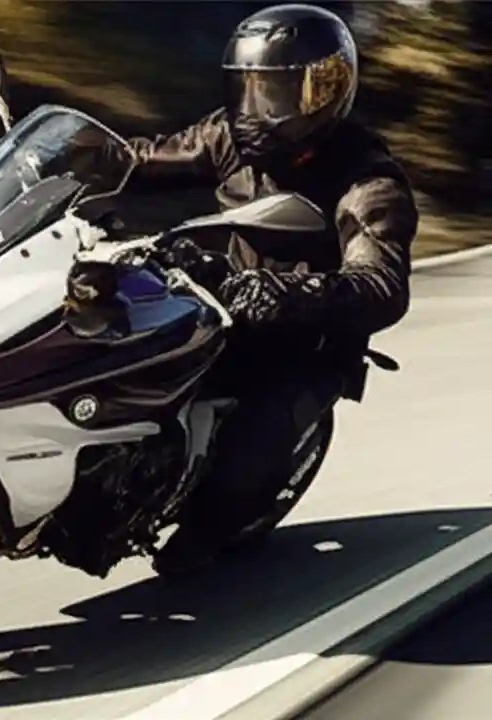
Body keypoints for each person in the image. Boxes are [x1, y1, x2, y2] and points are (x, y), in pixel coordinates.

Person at [121, 3, 420, 575]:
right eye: (249, 91)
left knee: (247, 454)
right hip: (225, 304)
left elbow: (381, 281)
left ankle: (210, 526)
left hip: (307, 342)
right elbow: (141, 160)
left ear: (324, 92)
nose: (257, 111)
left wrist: (291, 296)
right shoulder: (227, 136)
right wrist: (63, 161)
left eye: (276, 95)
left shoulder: (367, 180)